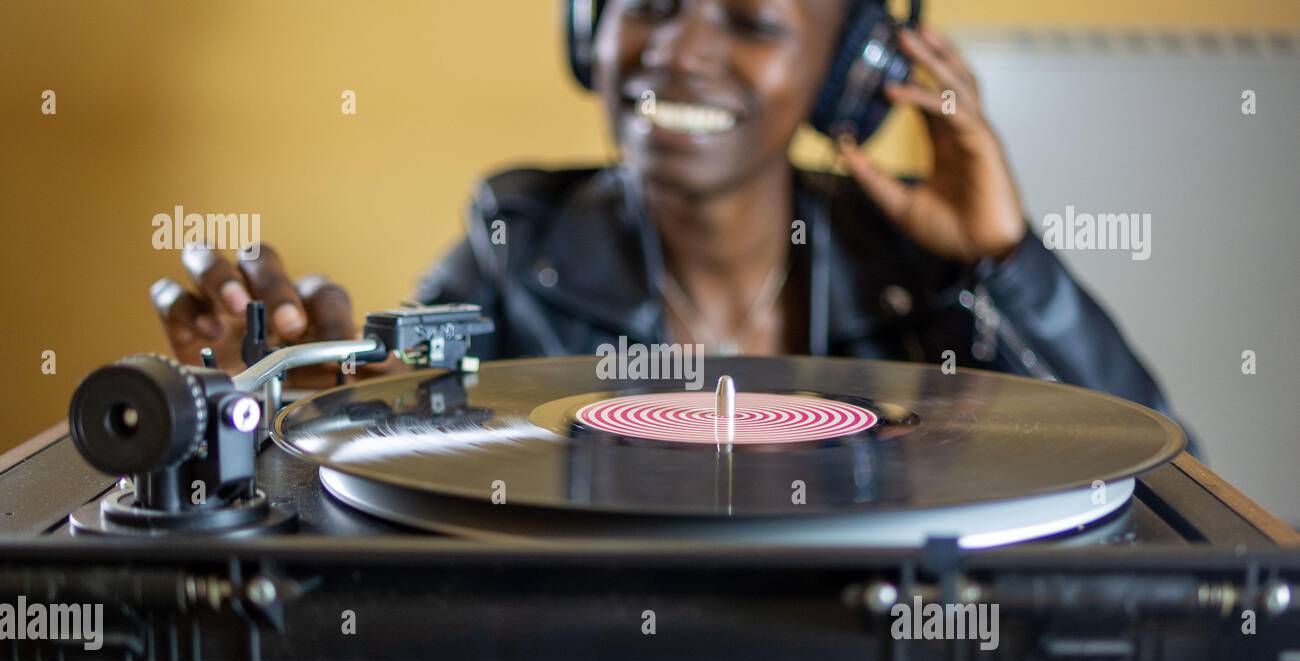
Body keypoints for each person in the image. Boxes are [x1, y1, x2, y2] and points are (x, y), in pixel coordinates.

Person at [151, 0, 1173, 416]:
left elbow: (1175, 486)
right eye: (645, 0)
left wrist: (1004, 260)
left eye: (748, 19)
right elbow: (406, 394)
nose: (677, 47)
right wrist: (313, 383)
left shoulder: (915, 276)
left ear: (844, 75)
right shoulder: (520, 240)